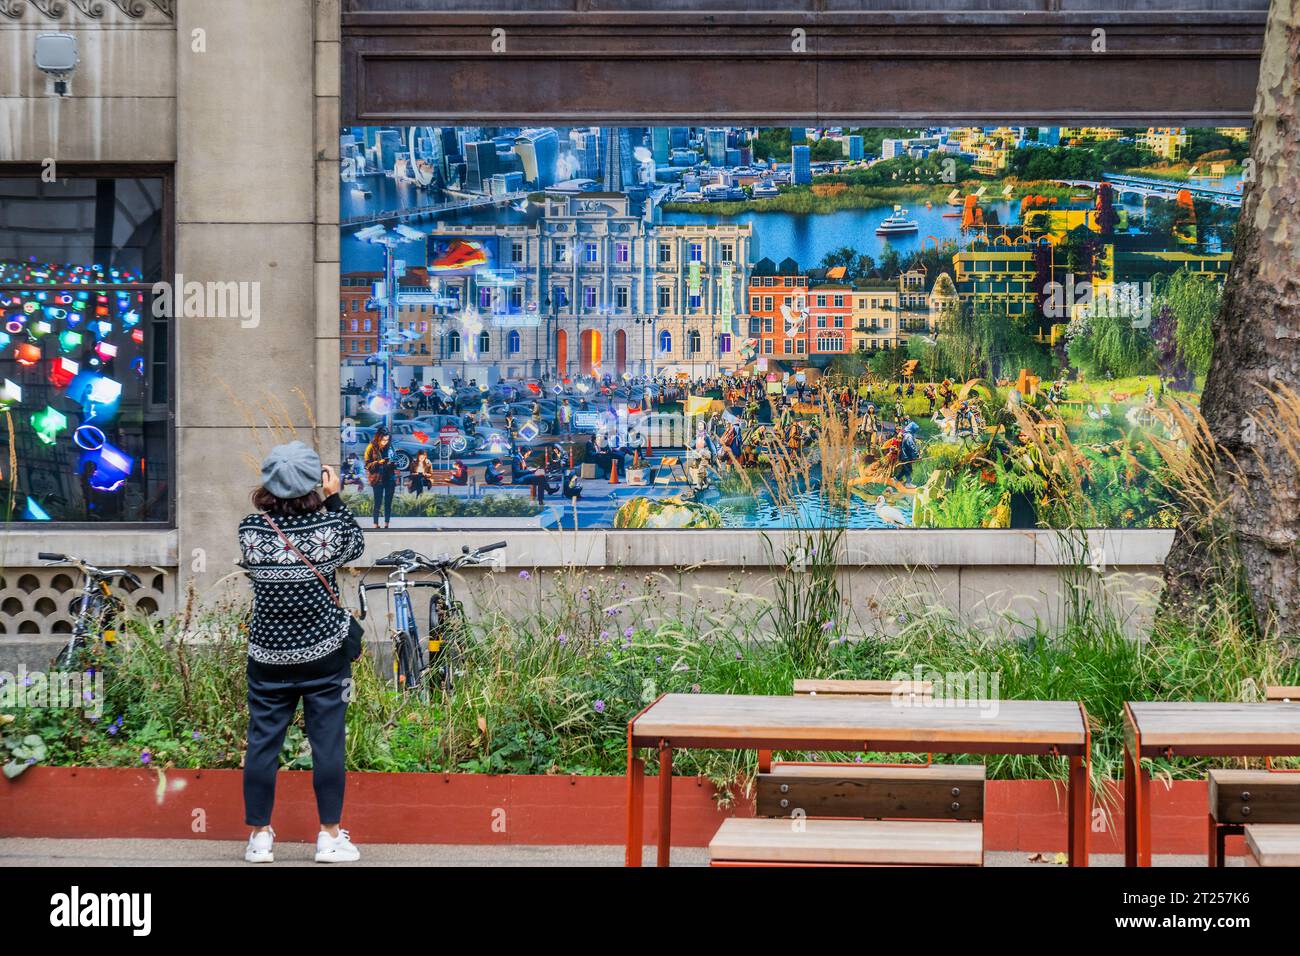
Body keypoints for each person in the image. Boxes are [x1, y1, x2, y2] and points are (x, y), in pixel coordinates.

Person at [238, 441, 365, 865]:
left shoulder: (251, 532)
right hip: (325, 655)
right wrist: (334, 498)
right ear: (315, 482)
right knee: (327, 743)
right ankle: (329, 837)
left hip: (268, 657)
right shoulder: (329, 531)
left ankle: (259, 838)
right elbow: (355, 544)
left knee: (262, 743)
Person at [363, 428, 398, 528]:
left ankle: (387, 524)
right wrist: (378, 462)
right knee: (377, 502)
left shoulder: (390, 446)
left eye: (387, 440)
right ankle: (375, 524)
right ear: (378, 438)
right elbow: (367, 465)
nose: (385, 442)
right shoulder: (371, 447)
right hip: (377, 479)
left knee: (388, 502)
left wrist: (393, 463)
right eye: (383, 440)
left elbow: (395, 459)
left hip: (390, 477)